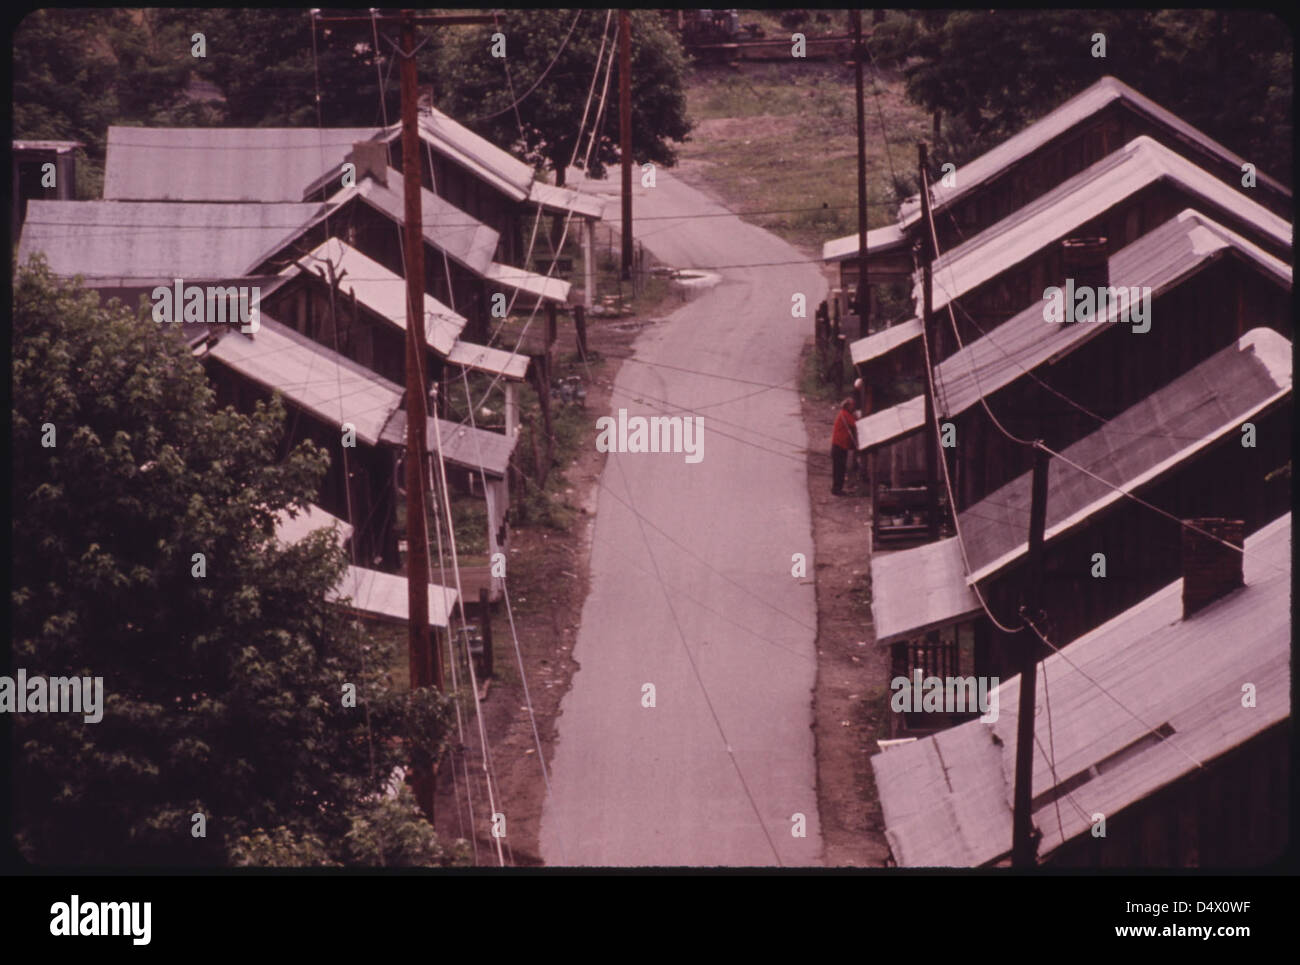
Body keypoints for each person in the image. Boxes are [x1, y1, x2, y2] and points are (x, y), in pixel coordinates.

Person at [830, 396, 857, 495]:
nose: (853, 407)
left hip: (841, 446)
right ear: (847, 406)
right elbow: (855, 425)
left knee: (840, 469)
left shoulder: (845, 414)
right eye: (852, 405)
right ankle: (837, 489)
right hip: (839, 446)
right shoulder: (845, 415)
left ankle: (837, 488)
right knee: (839, 469)